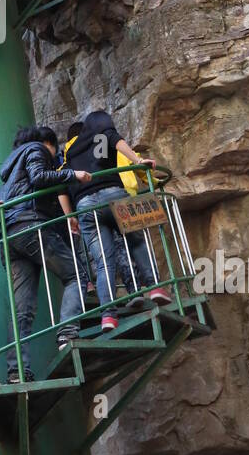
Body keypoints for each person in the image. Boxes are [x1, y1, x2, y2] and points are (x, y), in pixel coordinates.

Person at [0, 126, 94, 376]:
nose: (55, 155)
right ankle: (67, 333)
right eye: (55, 150)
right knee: (78, 276)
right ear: (47, 143)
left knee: (22, 310)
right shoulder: (37, 149)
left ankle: (17, 370)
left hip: (11, 236)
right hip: (32, 225)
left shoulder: (9, 172)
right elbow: (40, 176)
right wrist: (75, 174)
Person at [65, 111, 171, 332]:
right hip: (112, 194)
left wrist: (70, 216)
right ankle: (155, 287)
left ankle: (108, 316)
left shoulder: (73, 150)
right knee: (136, 241)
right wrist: (138, 161)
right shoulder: (101, 133)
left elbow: (65, 182)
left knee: (104, 263)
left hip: (85, 205)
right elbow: (112, 138)